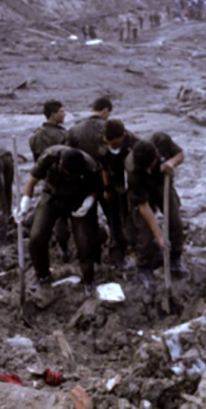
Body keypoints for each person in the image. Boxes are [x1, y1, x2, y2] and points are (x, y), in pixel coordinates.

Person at [18, 146, 102, 294]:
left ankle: (89, 280)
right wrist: (25, 202)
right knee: (36, 236)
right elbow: (32, 181)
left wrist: (88, 202)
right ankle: (42, 276)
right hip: (52, 196)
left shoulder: (90, 166)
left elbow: (96, 189)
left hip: (78, 200)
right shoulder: (49, 156)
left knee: (84, 242)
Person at [67, 98, 125, 266]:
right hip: (108, 183)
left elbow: (69, 156)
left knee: (88, 222)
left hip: (84, 182)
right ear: (105, 111)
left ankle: (93, 259)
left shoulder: (74, 130)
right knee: (114, 219)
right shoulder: (108, 129)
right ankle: (117, 257)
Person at [125, 134, 187, 288]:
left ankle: (175, 259)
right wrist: (159, 235)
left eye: (150, 166)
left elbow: (180, 155)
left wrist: (171, 163)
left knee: (176, 222)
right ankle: (144, 268)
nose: (147, 169)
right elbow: (143, 205)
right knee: (145, 232)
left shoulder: (162, 140)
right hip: (143, 192)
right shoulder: (132, 168)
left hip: (162, 186)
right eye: (144, 168)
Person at [29, 100, 70, 260]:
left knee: (52, 215)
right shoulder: (62, 135)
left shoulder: (36, 136)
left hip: (47, 182)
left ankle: (61, 246)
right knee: (66, 217)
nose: (64, 114)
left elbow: (37, 163)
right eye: (61, 111)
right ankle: (65, 248)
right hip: (66, 182)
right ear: (53, 115)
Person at [101, 119, 140, 270]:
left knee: (134, 220)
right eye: (109, 143)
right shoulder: (102, 146)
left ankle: (138, 250)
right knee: (114, 220)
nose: (112, 146)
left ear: (123, 136)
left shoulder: (135, 145)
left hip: (133, 185)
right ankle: (117, 255)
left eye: (115, 143)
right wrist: (107, 188)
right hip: (115, 184)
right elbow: (104, 167)